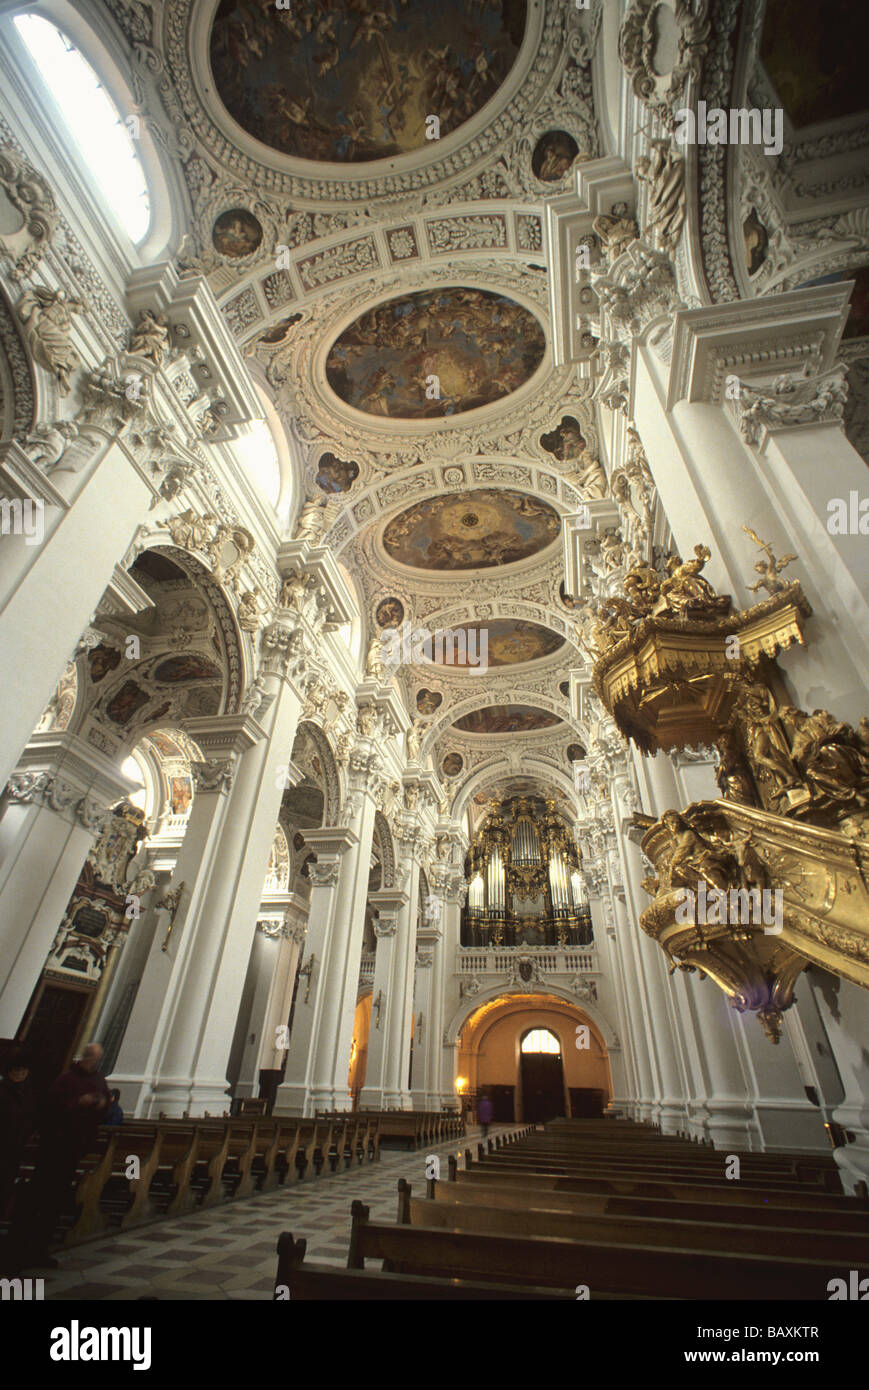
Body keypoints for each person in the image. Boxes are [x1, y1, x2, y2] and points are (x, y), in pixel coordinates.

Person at [11, 1042, 111, 1269]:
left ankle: (41, 1249)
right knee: (39, 1197)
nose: (96, 1062)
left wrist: (101, 1104)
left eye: (99, 1058)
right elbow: (50, 1108)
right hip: (54, 1147)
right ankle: (21, 1248)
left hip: (75, 1148)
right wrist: (78, 1102)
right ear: (85, 1057)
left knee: (55, 1201)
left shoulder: (99, 1080)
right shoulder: (67, 1079)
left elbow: (105, 1107)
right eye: (93, 1057)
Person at [0, 1047, 36, 1225]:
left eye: (23, 1071)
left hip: (15, 1147)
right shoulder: (3, 1091)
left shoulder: (28, 1092)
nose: (20, 1074)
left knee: (6, 1184)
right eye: (17, 1071)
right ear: (10, 1072)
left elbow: (30, 1117)